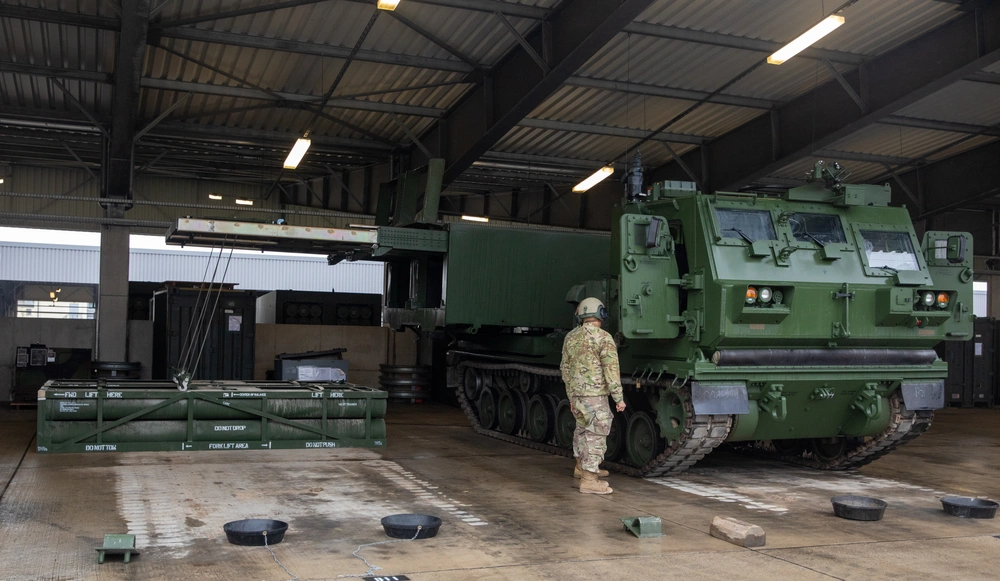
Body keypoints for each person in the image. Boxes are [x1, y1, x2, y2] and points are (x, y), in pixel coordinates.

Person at [560, 297, 626, 495]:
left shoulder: (571, 337)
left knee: (581, 430)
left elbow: (565, 369)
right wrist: (619, 398)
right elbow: (611, 371)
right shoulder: (604, 338)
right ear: (601, 314)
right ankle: (589, 479)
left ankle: (580, 468)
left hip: (578, 395)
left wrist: (571, 396)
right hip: (595, 396)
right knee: (595, 434)